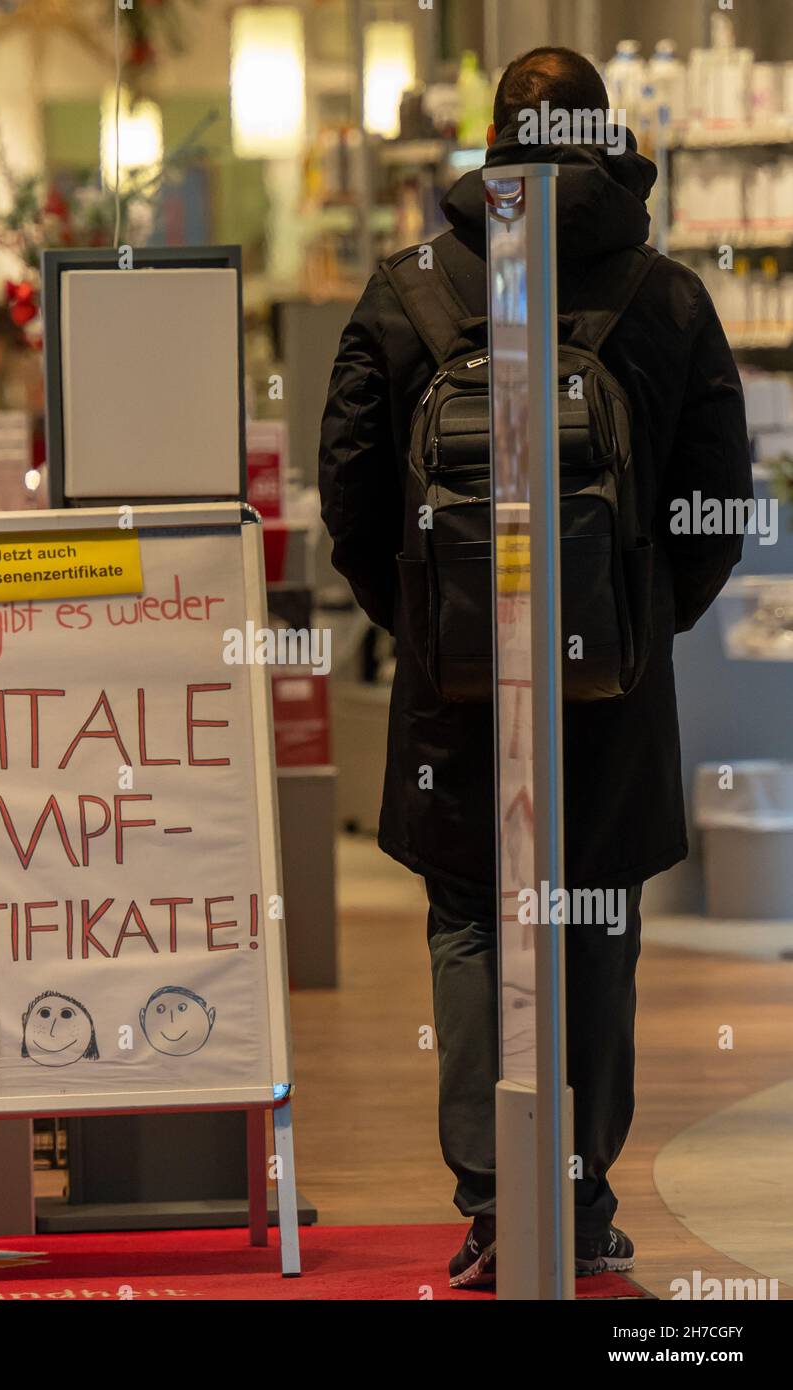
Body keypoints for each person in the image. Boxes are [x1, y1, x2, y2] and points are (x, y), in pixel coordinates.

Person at [318, 46, 753, 1288]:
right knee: (597, 919)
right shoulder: (665, 295)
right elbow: (720, 498)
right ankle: (583, 1198)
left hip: (455, 691)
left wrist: (427, 622)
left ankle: (491, 1202)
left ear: (492, 141)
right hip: (612, 692)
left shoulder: (407, 288)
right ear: (604, 134)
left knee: (467, 920)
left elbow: (346, 490)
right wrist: (637, 623)